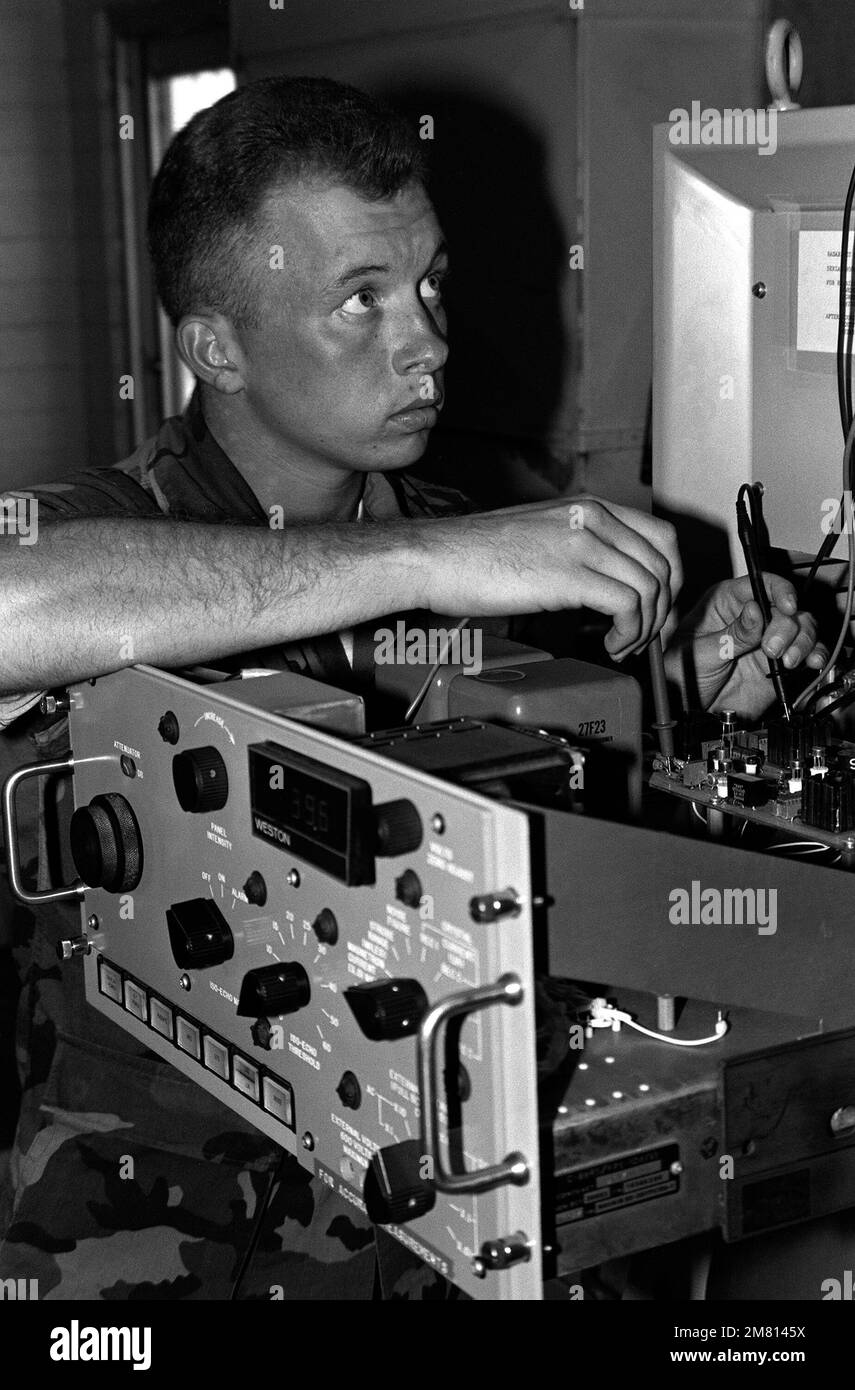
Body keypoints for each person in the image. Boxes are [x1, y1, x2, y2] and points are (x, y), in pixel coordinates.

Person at [0, 76, 824, 1300]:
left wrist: (692, 690)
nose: (428, 338)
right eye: (362, 300)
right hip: (158, 1229)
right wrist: (419, 560)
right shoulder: (116, 532)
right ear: (216, 345)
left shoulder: (463, 541)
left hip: (455, 1204)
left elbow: (546, 808)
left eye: (431, 283)